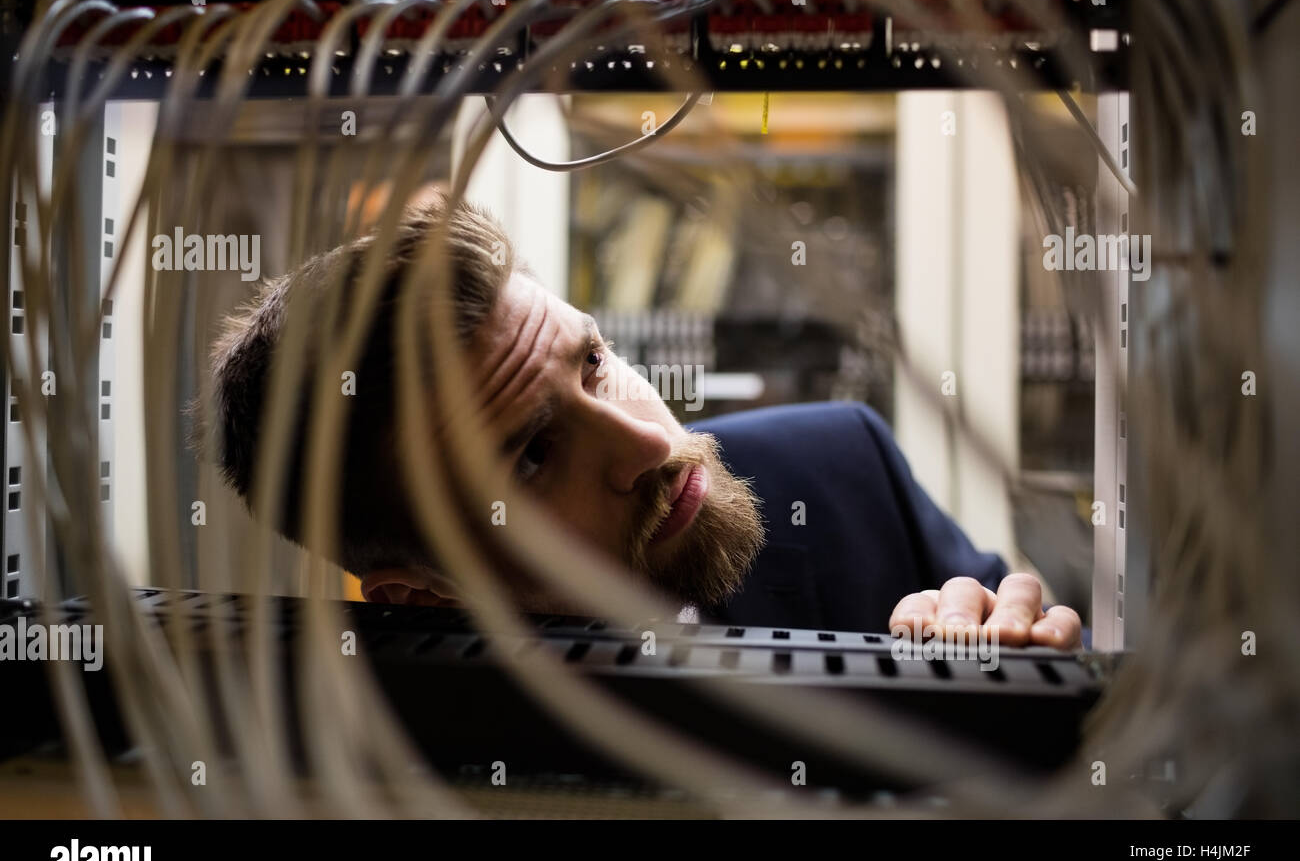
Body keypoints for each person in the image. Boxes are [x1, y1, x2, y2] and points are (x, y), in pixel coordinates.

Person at [207, 191, 1082, 650]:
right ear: (421, 593)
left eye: (593, 363)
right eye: (532, 457)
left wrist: (1016, 677)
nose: (654, 443)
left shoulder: (845, 469)